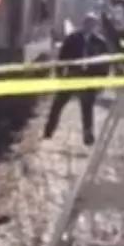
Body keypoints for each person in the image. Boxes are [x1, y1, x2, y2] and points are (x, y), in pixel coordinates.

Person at [43, 12, 110, 146]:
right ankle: (48, 130)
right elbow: (62, 57)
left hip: (89, 79)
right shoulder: (72, 39)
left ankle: (88, 135)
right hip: (71, 77)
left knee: (87, 109)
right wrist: (60, 74)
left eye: (92, 24)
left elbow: (105, 63)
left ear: (95, 26)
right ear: (83, 24)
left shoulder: (100, 43)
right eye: (87, 23)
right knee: (58, 104)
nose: (89, 26)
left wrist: (101, 81)